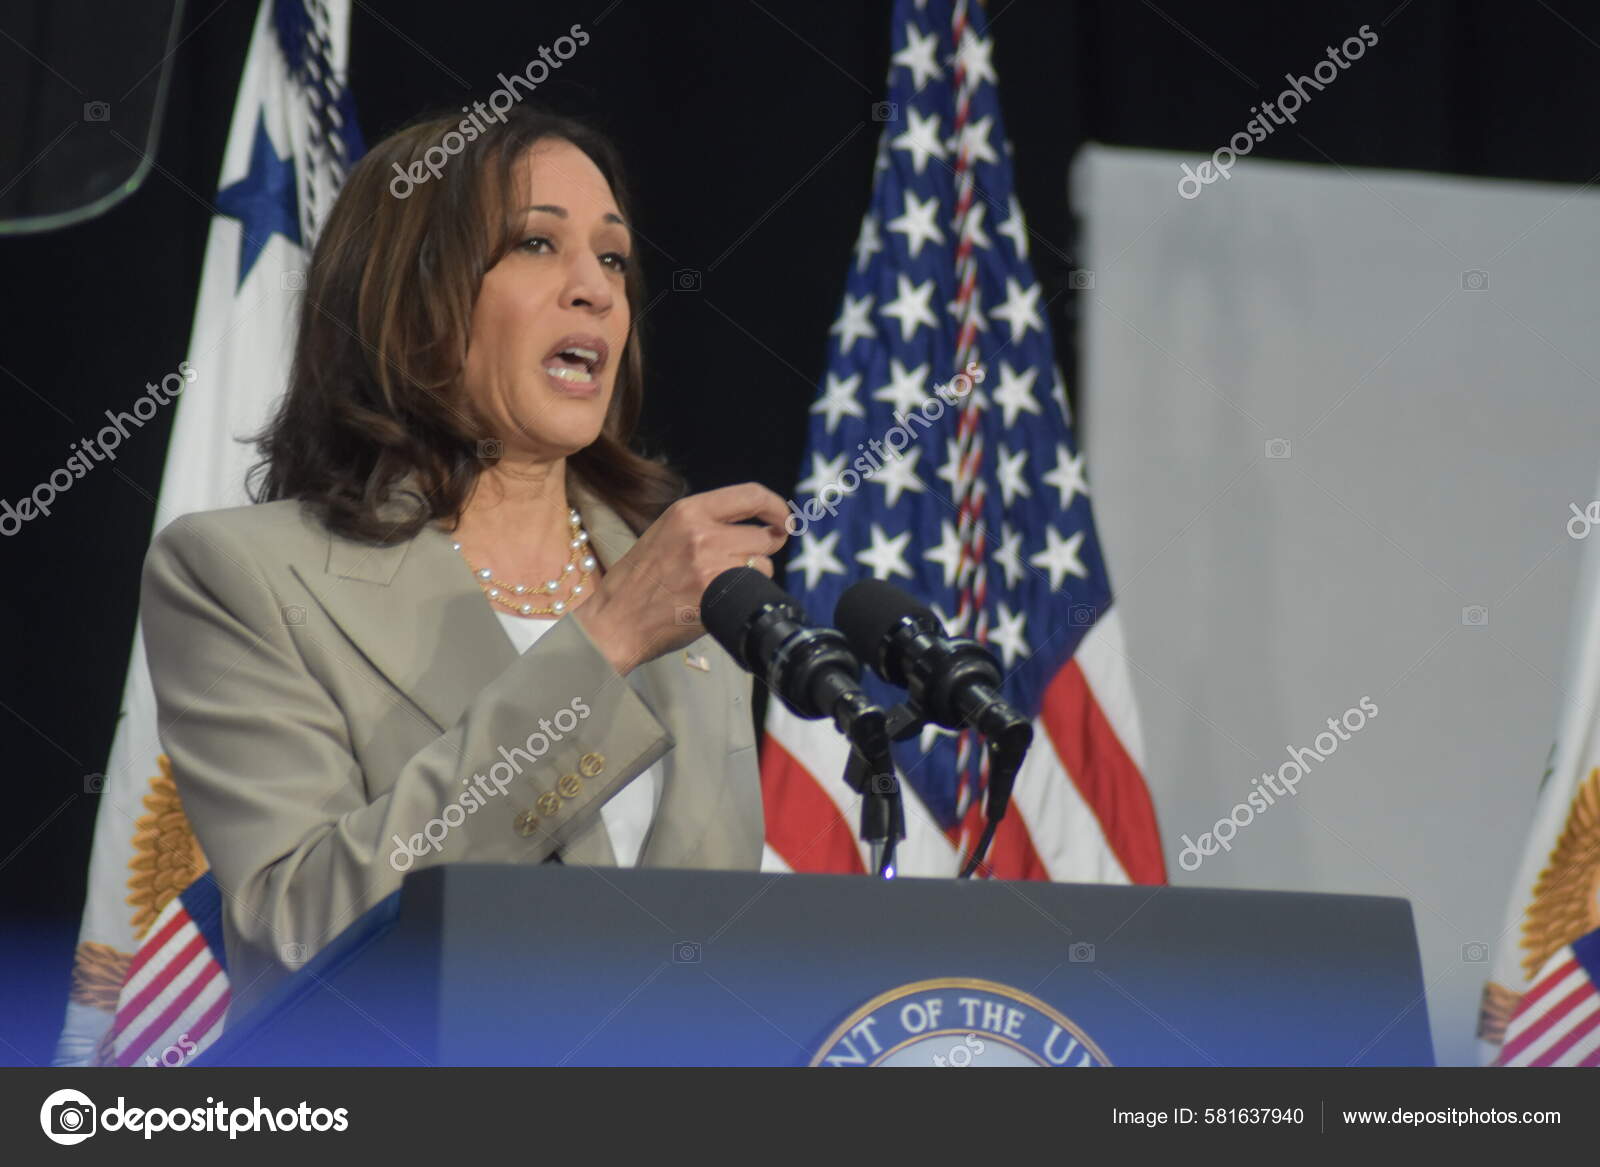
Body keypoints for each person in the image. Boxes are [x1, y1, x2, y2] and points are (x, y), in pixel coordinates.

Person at [140, 105, 788, 1024]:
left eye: (611, 257)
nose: (595, 290)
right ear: (409, 298)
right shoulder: (239, 576)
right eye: (535, 244)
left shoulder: (690, 598)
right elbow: (302, 930)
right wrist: (600, 643)